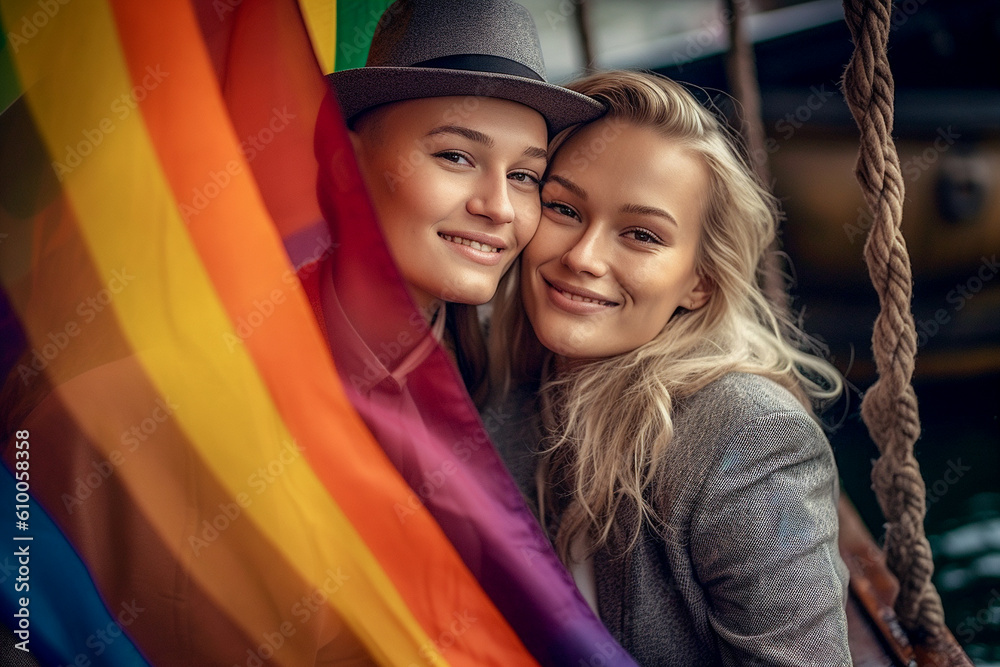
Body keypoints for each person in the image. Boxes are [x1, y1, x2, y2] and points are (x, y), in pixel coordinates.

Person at [487, 70, 852, 666]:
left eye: (641, 235)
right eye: (563, 208)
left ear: (699, 282)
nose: (583, 258)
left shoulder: (748, 437)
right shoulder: (511, 389)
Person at [306, 0, 603, 404]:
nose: (500, 208)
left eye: (523, 177)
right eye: (456, 157)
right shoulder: (246, 355)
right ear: (347, 166)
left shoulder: (520, 389)